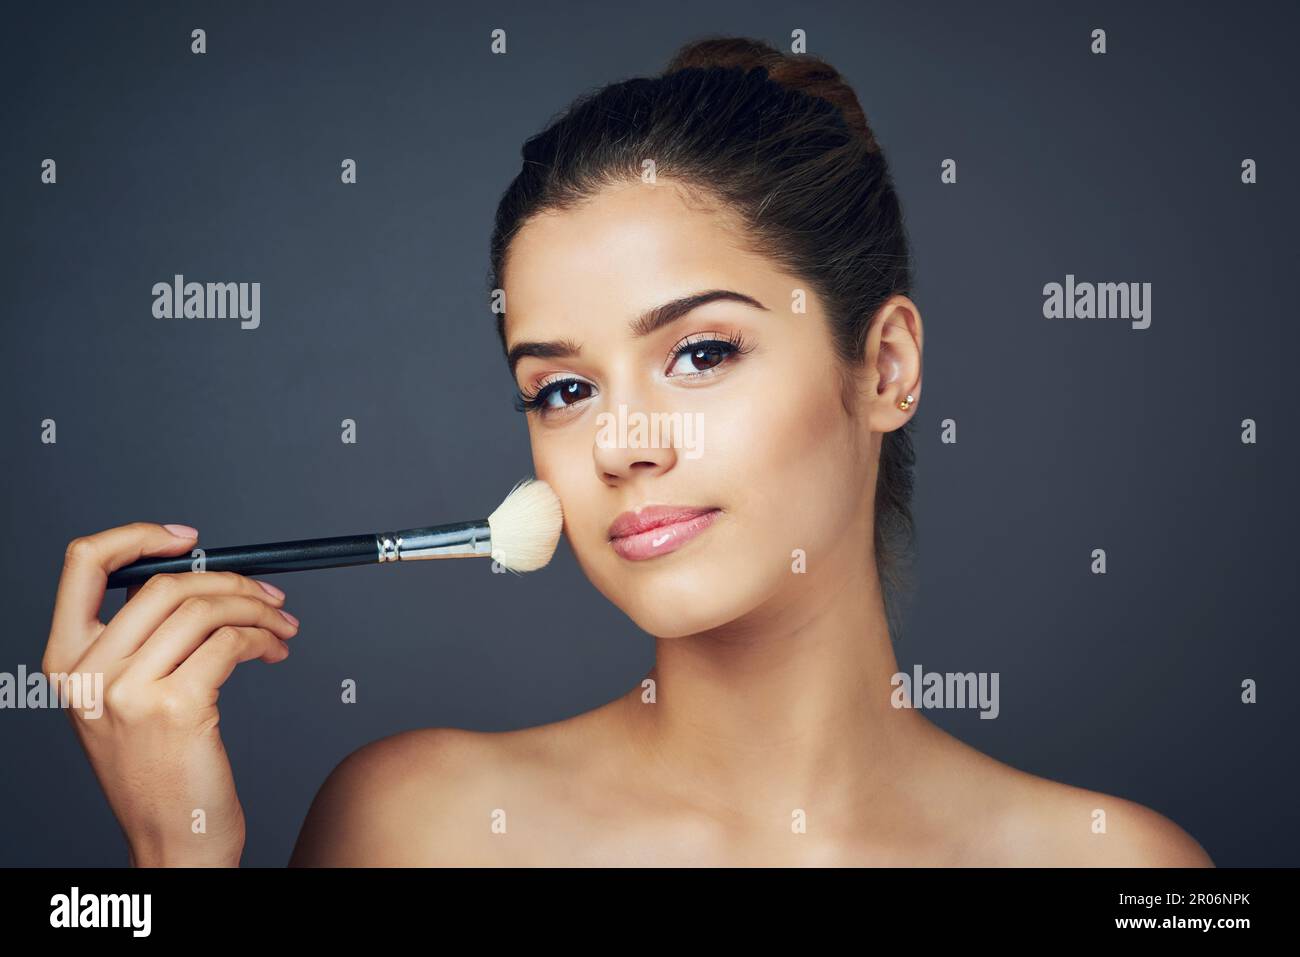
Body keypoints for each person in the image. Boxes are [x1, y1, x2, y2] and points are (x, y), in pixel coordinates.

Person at [44, 36, 1213, 867]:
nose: (621, 444)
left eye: (702, 353)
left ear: (887, 367)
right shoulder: (417, 826)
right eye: (561, 389)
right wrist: (174, 859)